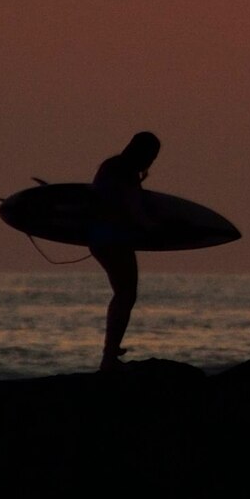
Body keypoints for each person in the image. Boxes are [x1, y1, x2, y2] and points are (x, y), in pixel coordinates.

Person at [90, 129, 161, 368]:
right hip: (113, 239)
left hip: (99, 238)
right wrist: (155, 229)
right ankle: (109, 355)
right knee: (126, 293)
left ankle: (110, 351)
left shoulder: (110, 165)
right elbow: (133, 210)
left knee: (123, 293)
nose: (151, 162)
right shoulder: (125, 172)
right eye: (151, 156)